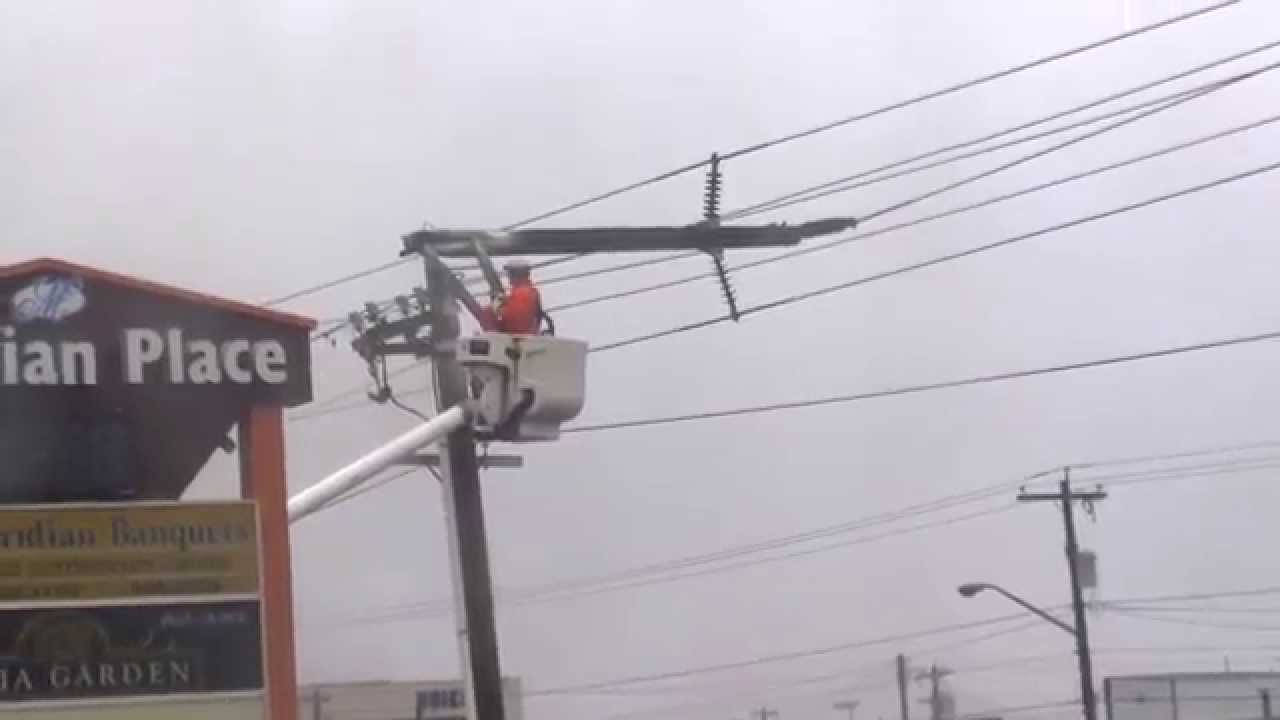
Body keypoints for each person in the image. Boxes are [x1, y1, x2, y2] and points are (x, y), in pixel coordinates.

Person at [490, 259, 548, 335]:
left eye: (510, 273)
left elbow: (513, 320)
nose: (508, 276)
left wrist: (497, 307)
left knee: (487, 312)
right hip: (524, 336)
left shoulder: (522, 293)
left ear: (517, 274)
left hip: (518, 338)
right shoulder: (530, 291)